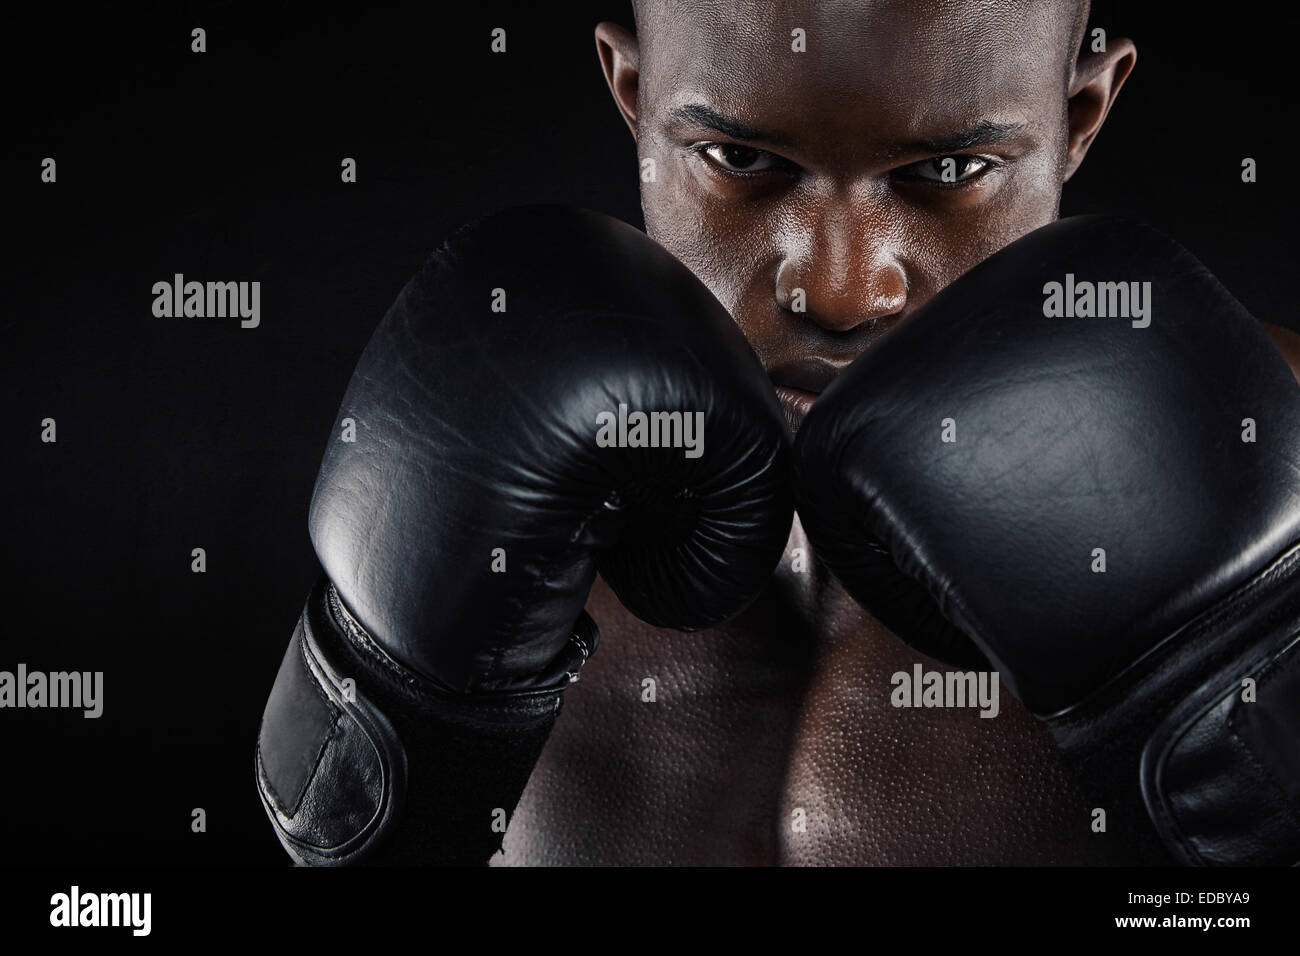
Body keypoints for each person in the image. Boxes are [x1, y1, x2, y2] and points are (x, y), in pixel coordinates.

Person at [255, 0, 1300, 866]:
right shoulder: (488, 441)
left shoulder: (1271, 454)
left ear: (1079, 112)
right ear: (633, 94)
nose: (842, 291)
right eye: (739, 157)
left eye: (944, 173)